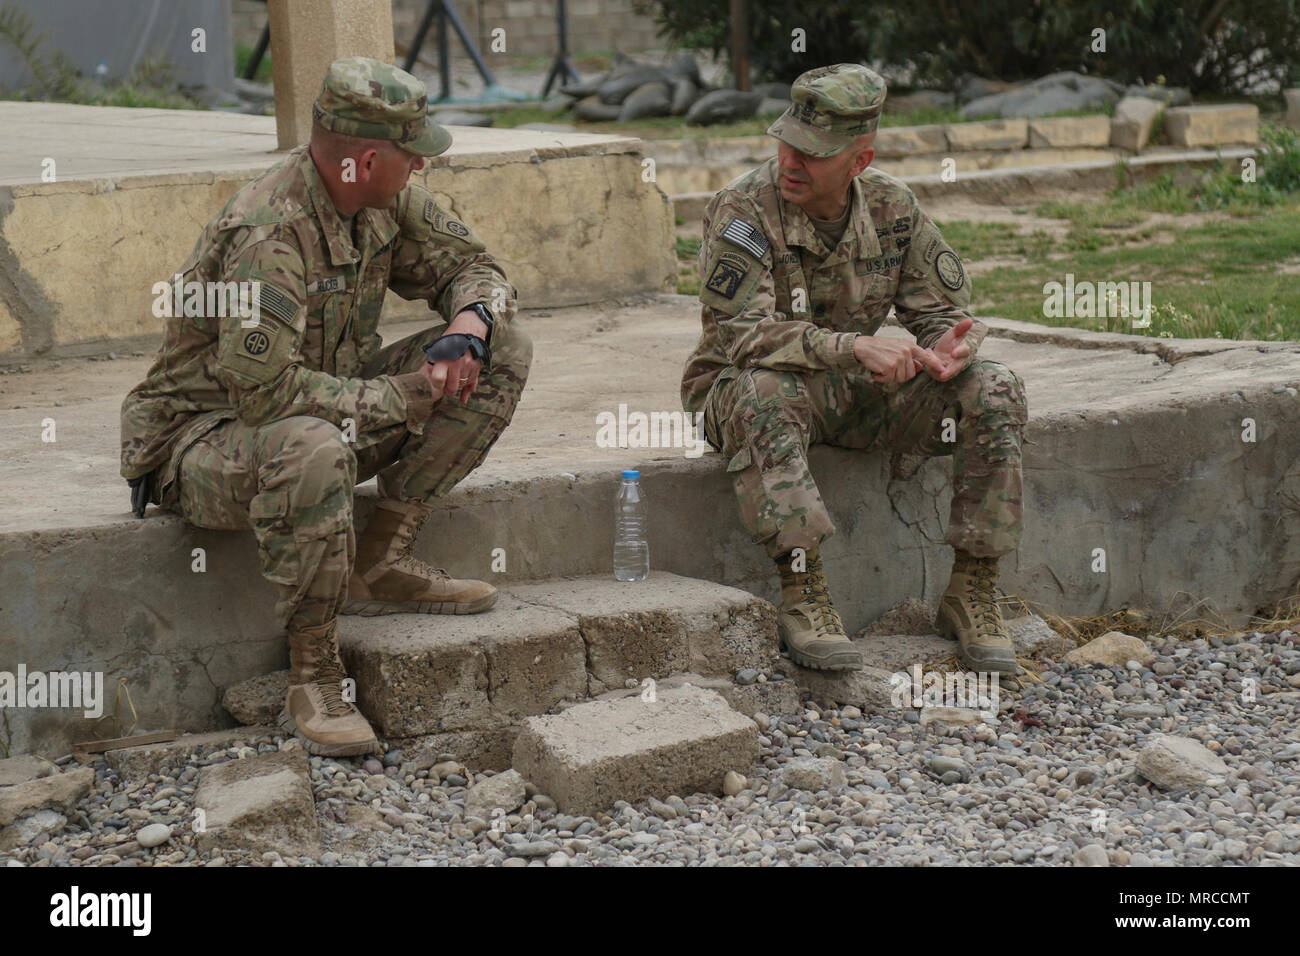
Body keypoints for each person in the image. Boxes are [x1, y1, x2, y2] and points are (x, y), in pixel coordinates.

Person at [119, 56, 532, 755]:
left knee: (505, 349)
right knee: (312, 446)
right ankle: (314, 671)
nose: (421, 169)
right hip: (205, 441)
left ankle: (384, 553)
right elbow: (265, 395)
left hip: (322, 414)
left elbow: (475, 265)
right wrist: (401, 396)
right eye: (412, 156)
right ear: (368, 159)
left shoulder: (379, 199)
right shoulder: (268, 235)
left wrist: (470, 324)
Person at [681, 64, 1027, 676]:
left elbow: (942, 310)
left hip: (849, 395)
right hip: (744, 392)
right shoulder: (741, 210)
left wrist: (948, 347)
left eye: (812, 153)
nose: (791, 160)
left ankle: (973, 588)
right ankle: (802, 592)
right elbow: (742, 337)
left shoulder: (895, 207)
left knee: (994, 384)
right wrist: (855, 348)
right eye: (786, 140)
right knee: (765, 390)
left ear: (858, 162)